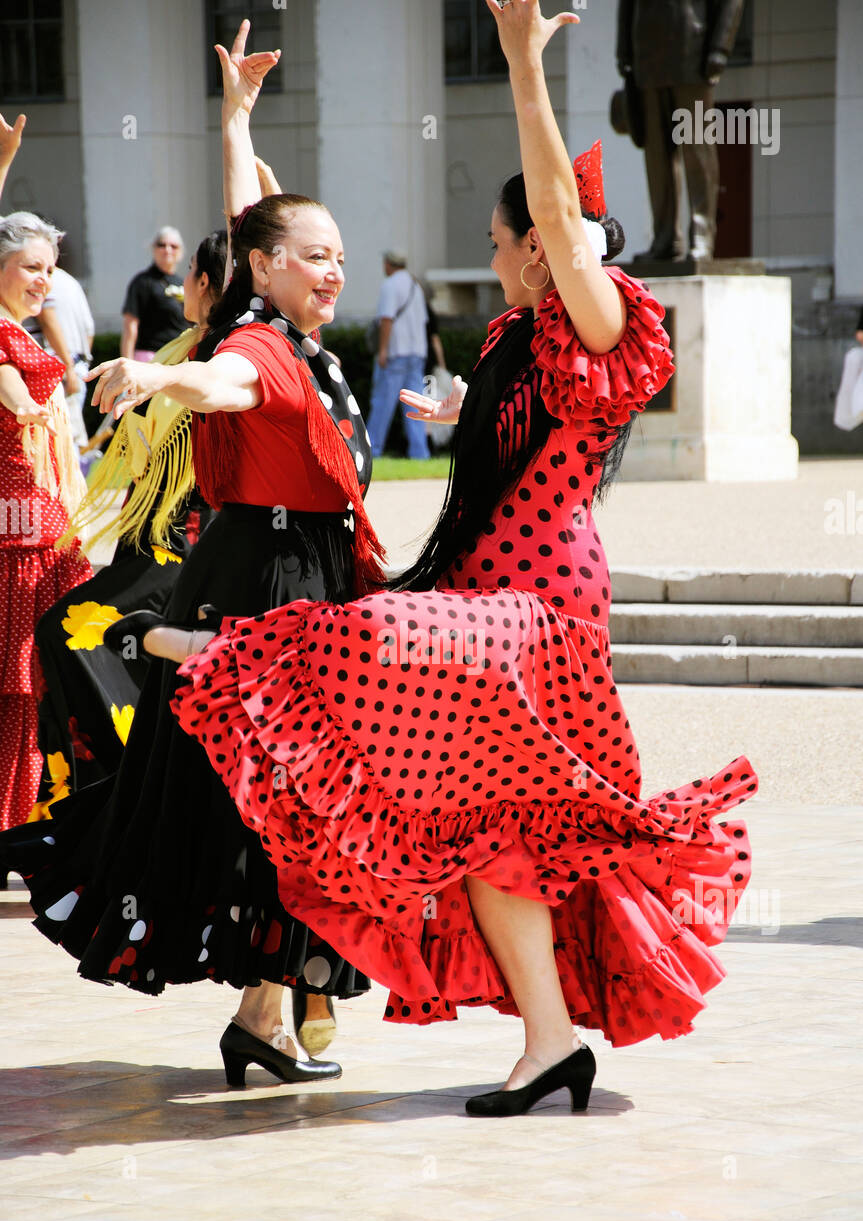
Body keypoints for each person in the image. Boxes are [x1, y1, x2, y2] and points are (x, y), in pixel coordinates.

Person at [158, 0, 758, 1119]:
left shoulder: (591, 318)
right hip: (488, 586)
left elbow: (556, 218)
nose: (491, 256)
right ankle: (548, 1043)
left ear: (538, 242)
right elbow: (263, 256)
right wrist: (453, 416)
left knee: (365, 639)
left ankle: (228, 645)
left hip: (538, 606)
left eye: (498, 240)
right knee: (498, 839)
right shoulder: (516, 344)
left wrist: (525, 67)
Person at [0, 23, 378, 1077]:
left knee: (280, 802)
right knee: (291, 801)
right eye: (318, 256)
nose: (335, 269)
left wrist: (237, 120)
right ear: (267, 270)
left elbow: (251, 219)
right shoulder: (260, 348)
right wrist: (164, 378)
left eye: (341, 255)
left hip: (279, 579)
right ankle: (283, 998)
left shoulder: (281, 320)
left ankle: (269, 1011)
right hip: (274, 580)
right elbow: (227, 383)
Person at [25, 231, 226, 819]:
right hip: (149, 537)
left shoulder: (223, 358)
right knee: (75, 637)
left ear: (207, 284)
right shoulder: (181, 351)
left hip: (182, 545)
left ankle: (118, 793)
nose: (181, 280)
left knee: (69, 631)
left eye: (191, 271)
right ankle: (106, 799)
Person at [0, 210, 91, 832]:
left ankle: (39, 824)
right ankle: (13, 828)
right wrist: (30, 407)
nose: (43, 280)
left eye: (50, 269)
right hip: (19, 541)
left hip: (49, 536)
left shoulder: (22, 328)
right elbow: (14, 391)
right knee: (21, 697)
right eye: (31, 266)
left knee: (51, 692)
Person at [616, 0, 745, 261]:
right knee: (657, 157)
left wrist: (720, 46)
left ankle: (702, 235)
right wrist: (624, 51)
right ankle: (664, 240)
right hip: (647, 57)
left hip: (691, 54)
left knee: (697, 151)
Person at [366, 250, 430, 460]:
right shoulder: (415, 286)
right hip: (417, 352)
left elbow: (387, 319)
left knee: (383, 404)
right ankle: (420, 453)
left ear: (388, 264)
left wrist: (383, 350)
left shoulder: (390, 285)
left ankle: (372, 451)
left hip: (396, 353)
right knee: (414, 406)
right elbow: (423, 322)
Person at [32, 261, 95, 458]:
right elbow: (89, 329)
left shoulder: (48, 281)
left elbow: (47, 318)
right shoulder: (70, 281)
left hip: (60, 368)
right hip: (76, 364)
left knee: (60, 444)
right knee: (69, 441)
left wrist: (68, 367)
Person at [120, 227, 187, 361]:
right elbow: (130, 328)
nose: (168, 250)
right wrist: (127, 363)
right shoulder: (142, 282)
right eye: (162, 245)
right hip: (149, 358)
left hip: (178, 357)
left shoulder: (184, 283)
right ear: (154, 248)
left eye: (173, 246)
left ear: (180, 252)